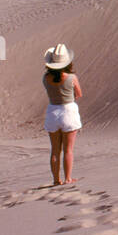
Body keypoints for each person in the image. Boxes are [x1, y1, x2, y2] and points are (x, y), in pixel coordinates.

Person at [42, 44, 82, 185]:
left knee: (55, 150)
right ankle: (68, 178)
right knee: (68, 150)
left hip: (53, 112)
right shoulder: (71, 77)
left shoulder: (45, 78)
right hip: (68, 111)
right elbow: (79, 94)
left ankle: (56, 180)